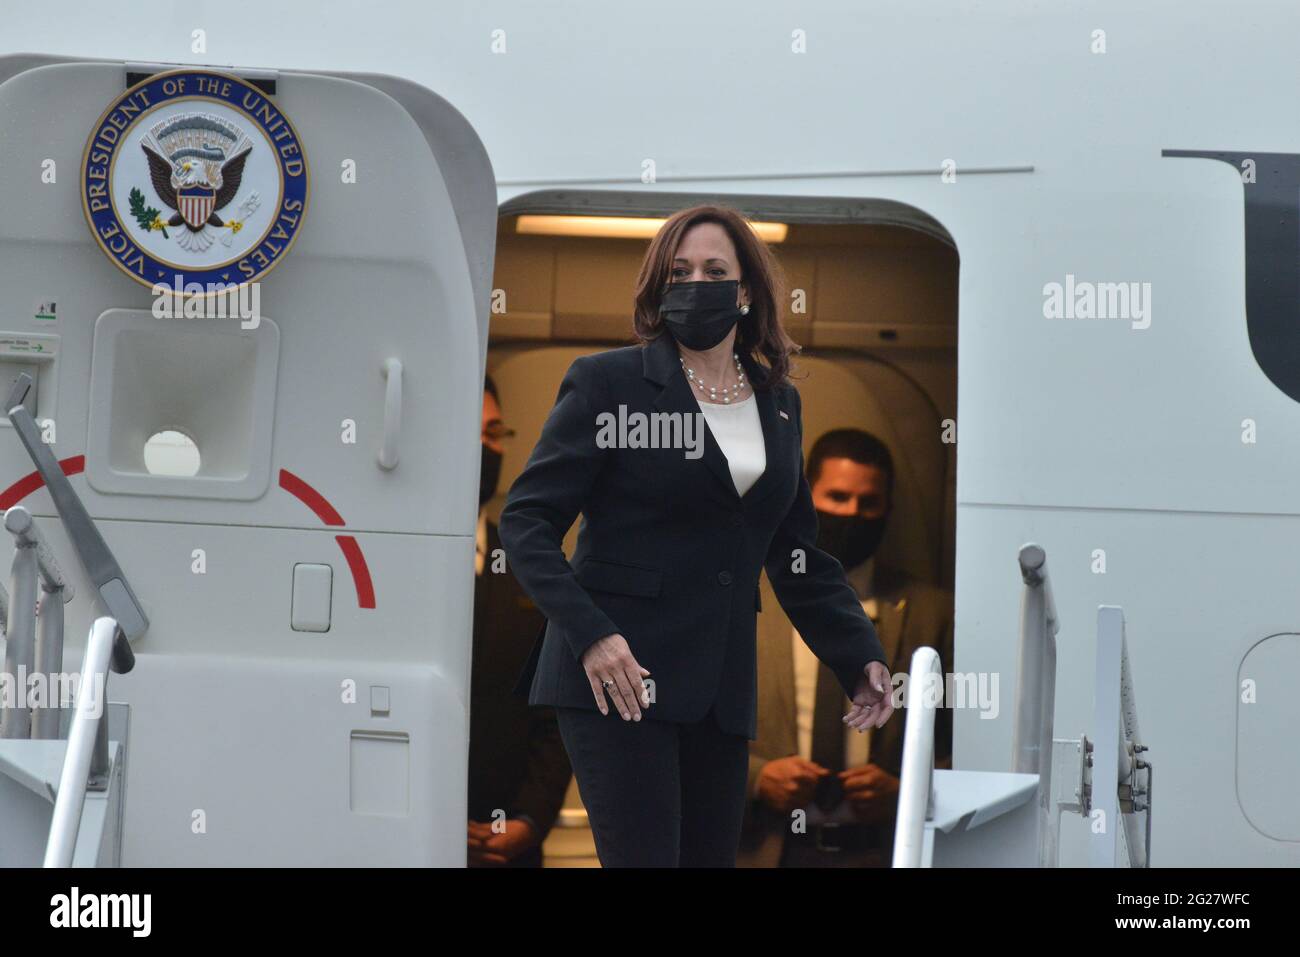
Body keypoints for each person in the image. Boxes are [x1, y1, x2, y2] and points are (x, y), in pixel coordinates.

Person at [500, 204, 895, 867]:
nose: (695, 283)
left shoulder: (778, 401)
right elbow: (526, 522)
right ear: (659, 286)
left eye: (715, 270)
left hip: (718, 691)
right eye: (679, 271)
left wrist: (858, 655)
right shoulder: (610, 384)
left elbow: (795, 553)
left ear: (745, 292)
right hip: (620, 679)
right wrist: (590, 633)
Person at [739, 428, 955, 867]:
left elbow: (968, 745)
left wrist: (907, 791)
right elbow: (694, 731)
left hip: (883, 851)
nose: (853, 513)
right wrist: (759, 780)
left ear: (887, 510)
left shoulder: (932, 615)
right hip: (767, 849)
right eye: (837, 497)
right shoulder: (749, 599)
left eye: (868, 503)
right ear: (805, 496)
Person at [466, 375, 572, 867]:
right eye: (475, 434)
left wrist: (528, 819)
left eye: (494, 435)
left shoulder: (530, 569)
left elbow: (556, 710)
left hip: (507, 846)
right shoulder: (387, 566)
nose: (489, 449)